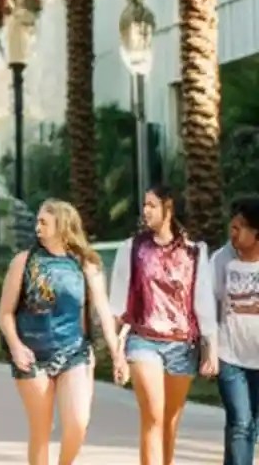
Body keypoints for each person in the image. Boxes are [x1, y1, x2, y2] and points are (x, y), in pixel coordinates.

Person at [0, 199, 126, 465]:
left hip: (74, 352)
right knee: (41, 431)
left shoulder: (84, 264)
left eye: (44, 222)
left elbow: (102, 311)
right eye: (37, 221)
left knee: (78, 423)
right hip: (32, 355)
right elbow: (5, 314)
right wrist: (16, 346)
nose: (37, 227)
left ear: (62, 225)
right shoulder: (23, 262)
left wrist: (117, 355)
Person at [109, 184, 217, 465]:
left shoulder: (194, 253)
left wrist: (211, 348)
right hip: (143, 340)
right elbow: (117, 306)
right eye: (144, 205)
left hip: (182, 344)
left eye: (152, 205)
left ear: (168, 209)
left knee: (169, 423)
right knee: (153, 415)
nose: (145, 211)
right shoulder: (132, 249)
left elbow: (203, 302)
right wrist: (116, 352)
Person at [211, 195, 259, 465]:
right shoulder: (222, 260)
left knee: (248, 426)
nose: (233, 232)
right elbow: (209, 304)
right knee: (242, 422)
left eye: (240, 227)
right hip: (231, 356)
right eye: (232, 226)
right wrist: (210, 349)